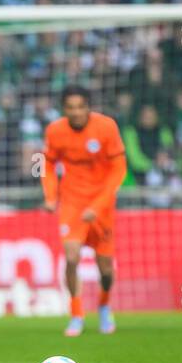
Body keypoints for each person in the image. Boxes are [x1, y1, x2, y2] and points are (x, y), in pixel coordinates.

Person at [41, 86, 127, 336]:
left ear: (88, 107)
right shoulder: (55, 131)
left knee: (106, 269)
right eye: (70, 108)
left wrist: (98, 206)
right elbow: (47, 162)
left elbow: (118, 169)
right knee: (71, 257)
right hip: (72, 203)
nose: (76, 112)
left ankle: (103, 306)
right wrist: (50, 196)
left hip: (102, 204)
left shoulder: (106, 127)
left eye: (80, 107)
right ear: (64, 109)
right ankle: (77, 313)